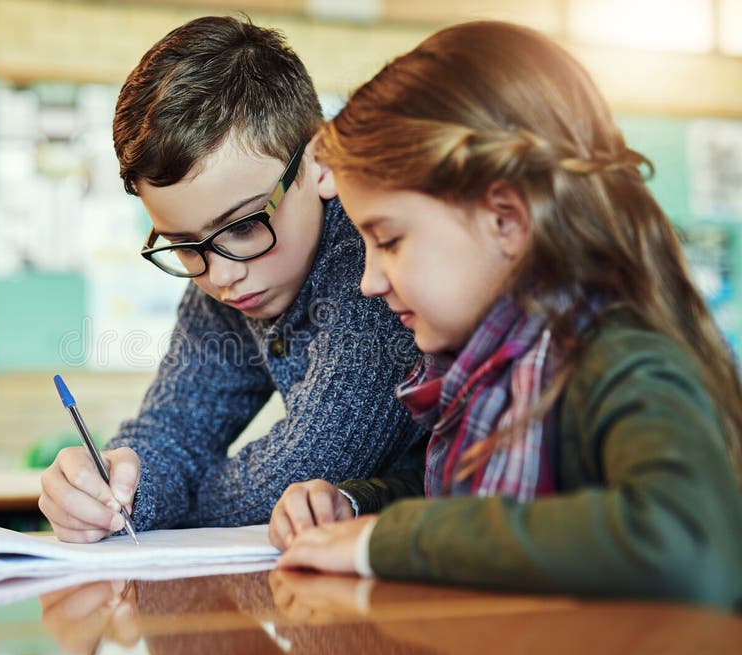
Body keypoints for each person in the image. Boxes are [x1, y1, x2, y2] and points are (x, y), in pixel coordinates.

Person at [270, 20, 742, 608]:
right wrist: (354, 506)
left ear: (507, 220)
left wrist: (385, 542)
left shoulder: (623, 360)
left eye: (388, 240)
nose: (370, 282)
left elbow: (687, 544)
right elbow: (471, 507)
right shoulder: (487, 372)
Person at [39, 16, 425, 542]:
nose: (221, 277)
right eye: (182, 243)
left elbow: (309, 465)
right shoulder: (224, 265)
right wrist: (117, 483)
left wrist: (182, 496)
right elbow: (174, 432)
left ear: (320, 162)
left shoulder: (372, 257)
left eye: (244, 225)